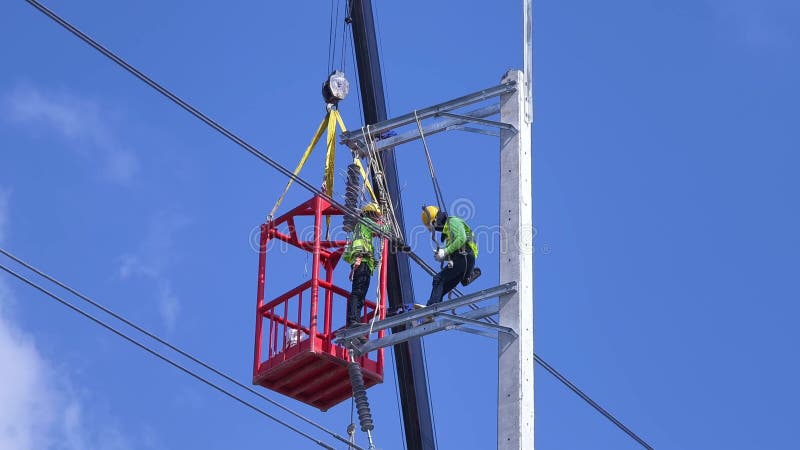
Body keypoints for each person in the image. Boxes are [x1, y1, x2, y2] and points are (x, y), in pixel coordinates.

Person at [421, 205, 481, 307]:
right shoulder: (448, 234)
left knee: (438, 279)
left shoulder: (452, 222)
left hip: (464, 255)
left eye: (433, 227)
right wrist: (444, 256)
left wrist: (445, 252)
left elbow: (461, 238)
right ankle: (431, 311)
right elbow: (454, 249)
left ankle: (431, 308)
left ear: (435, 221)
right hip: (465, 260)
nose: (435, 230)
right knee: (442, 286)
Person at [343, 203, 383, 328]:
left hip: (365, 262)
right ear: (370, 214)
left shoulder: (362, 228)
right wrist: (388, 228)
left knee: (360, 294)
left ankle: (355, 320)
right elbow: (380, 230)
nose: (377, 219)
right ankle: (353, 320)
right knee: (358, 292)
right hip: (362, 261)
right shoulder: (365, 221)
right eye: (376, 216)